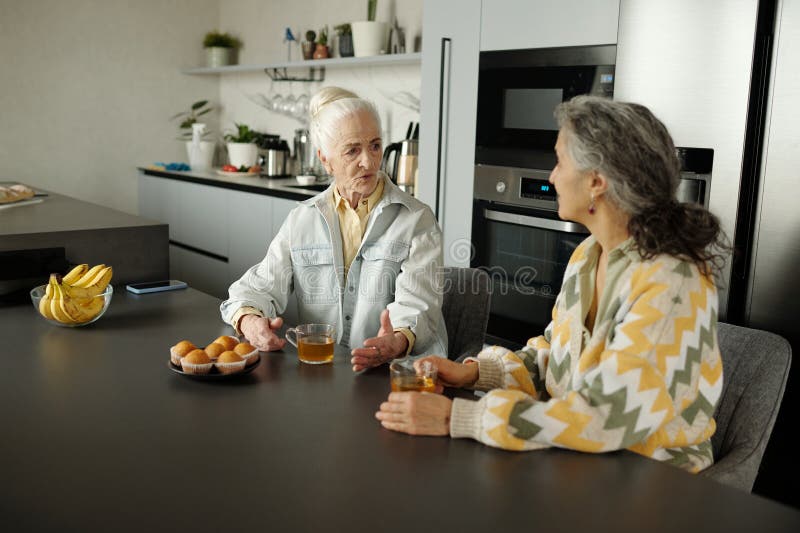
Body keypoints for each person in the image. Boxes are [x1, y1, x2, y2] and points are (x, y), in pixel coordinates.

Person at [376, 95, 728, 473]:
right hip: (578, 461)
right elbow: (553, 359)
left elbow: (605, 418)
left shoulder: (672, 282)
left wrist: (457, 419)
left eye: (560, 161)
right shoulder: (589, 256)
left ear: (596, 181)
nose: (551, 177)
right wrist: (475, 372)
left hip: (653, 485)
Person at [221, 87, 447, 370]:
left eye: (375, 145)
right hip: (324, 372)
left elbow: (419, 307)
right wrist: (250, 321)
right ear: (325, 159)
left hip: (395, 375)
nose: (369, 161)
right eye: (353, 150)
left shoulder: (417, 219)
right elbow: (256, 289)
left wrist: (399, 339)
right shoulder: (302, 220)